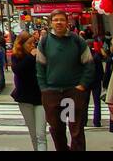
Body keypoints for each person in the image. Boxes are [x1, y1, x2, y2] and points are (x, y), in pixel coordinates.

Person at [36, 10, 94, 151]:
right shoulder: (44, 41)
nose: (59, 22)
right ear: (51, 23)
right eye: (55, 20)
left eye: (62, 19)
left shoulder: (77, 40)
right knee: (57, 129)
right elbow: (40, 66)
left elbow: (89, 64)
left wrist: (82, 85)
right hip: (53, 93)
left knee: (76, 129)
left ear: (67, 22)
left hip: (73, 92)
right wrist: (44, 88)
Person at [10, 33, 45, 150]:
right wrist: (30, 56)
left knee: (41, 134)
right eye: (29, 43)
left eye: (33, 43)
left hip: (40, 97)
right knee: (33, 133)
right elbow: (18, 70)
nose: (32, 46)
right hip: (25, 98)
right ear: (22, 44)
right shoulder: (16, 56)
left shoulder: (39, 55)